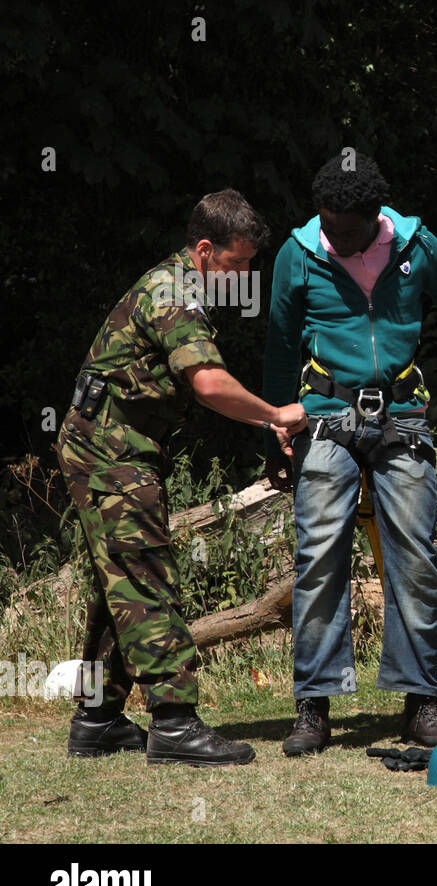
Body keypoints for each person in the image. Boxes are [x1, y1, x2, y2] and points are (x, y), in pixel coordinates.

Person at [263, 151, 437, 756]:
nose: (335, 237)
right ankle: (313, 709)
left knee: (415, 557)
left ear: (376, 216)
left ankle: (420, 704)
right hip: (325, 416)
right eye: (326, 224)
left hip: (402, 415)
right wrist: (272, 428)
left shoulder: (417, 246)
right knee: (318, 557)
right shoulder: (299, 254)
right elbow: (277, 344)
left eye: (347, 230)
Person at [57, 189, 308, 766]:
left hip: (109, 447)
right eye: (238, 262)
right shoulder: (174, 293)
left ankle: (97, 719)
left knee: (116, 583)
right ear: (204, 249)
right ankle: (174, 723)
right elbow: (208, 383)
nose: (246, 274)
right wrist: (276, 414)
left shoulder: (180, 285)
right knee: (145, 580)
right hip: (109, 453)